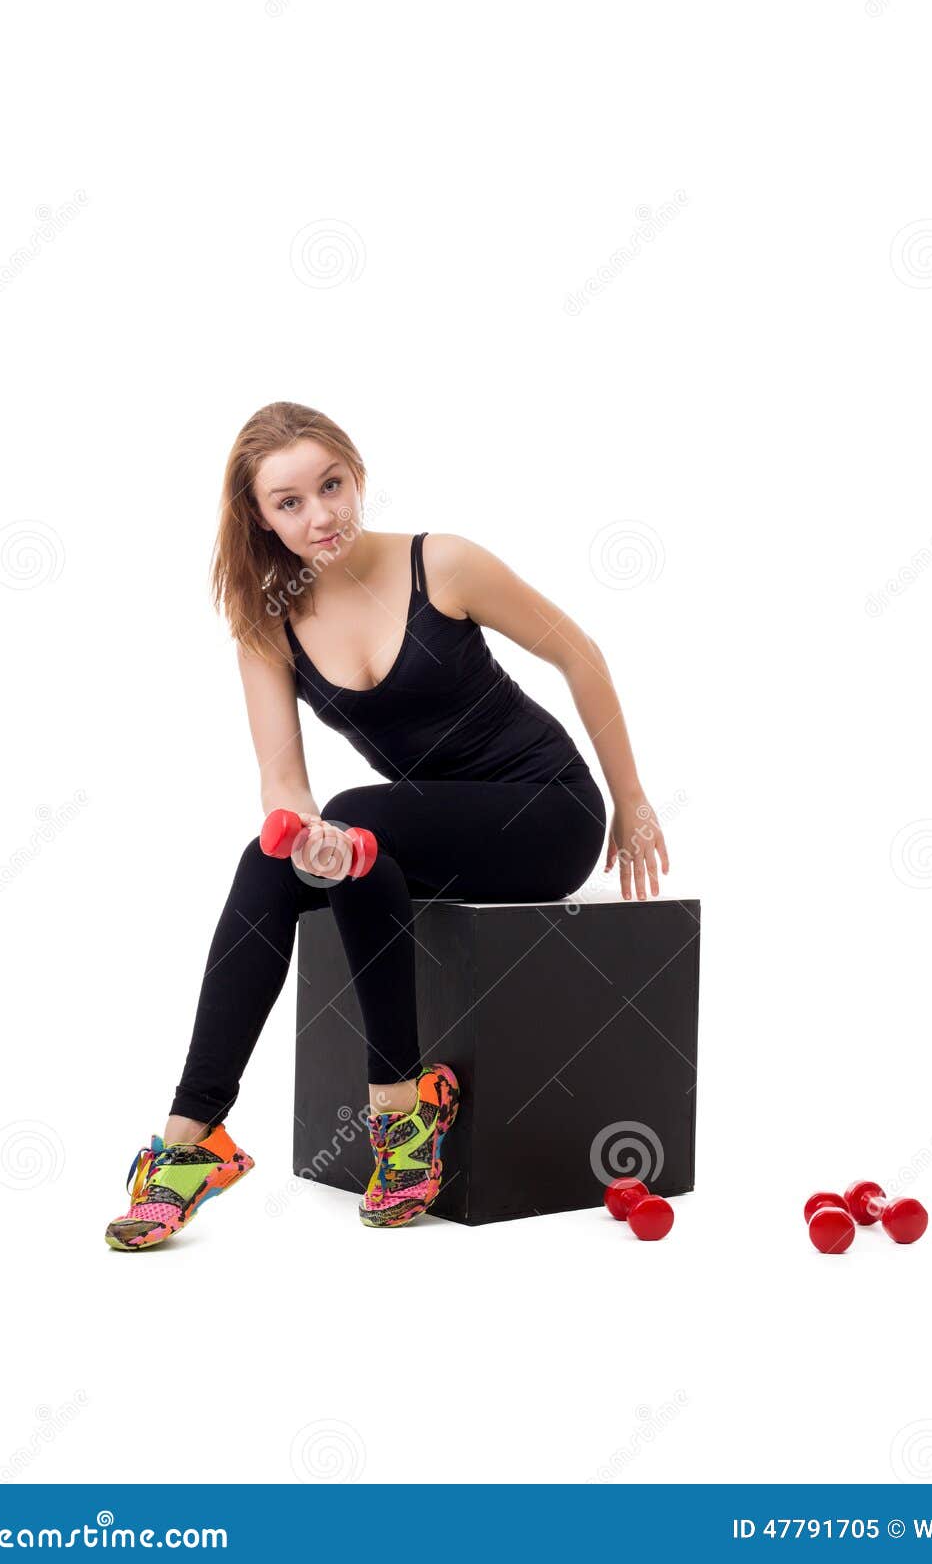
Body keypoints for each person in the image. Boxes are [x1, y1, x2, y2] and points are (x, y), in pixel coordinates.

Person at [105, 402, 669, 1250]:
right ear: (259, 517)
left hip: (544, 811)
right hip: (418, 831)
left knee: (358, 818)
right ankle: (199, 1139)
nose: (320, 514)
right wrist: (308, 836)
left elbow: (577, 652)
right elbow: (283, 784)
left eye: (331, 485)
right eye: (289, 502)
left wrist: (631, 799)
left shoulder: (440, 564)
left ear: (357, 474)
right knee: (285, 856)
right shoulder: (266, 621)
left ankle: (396, 1120)